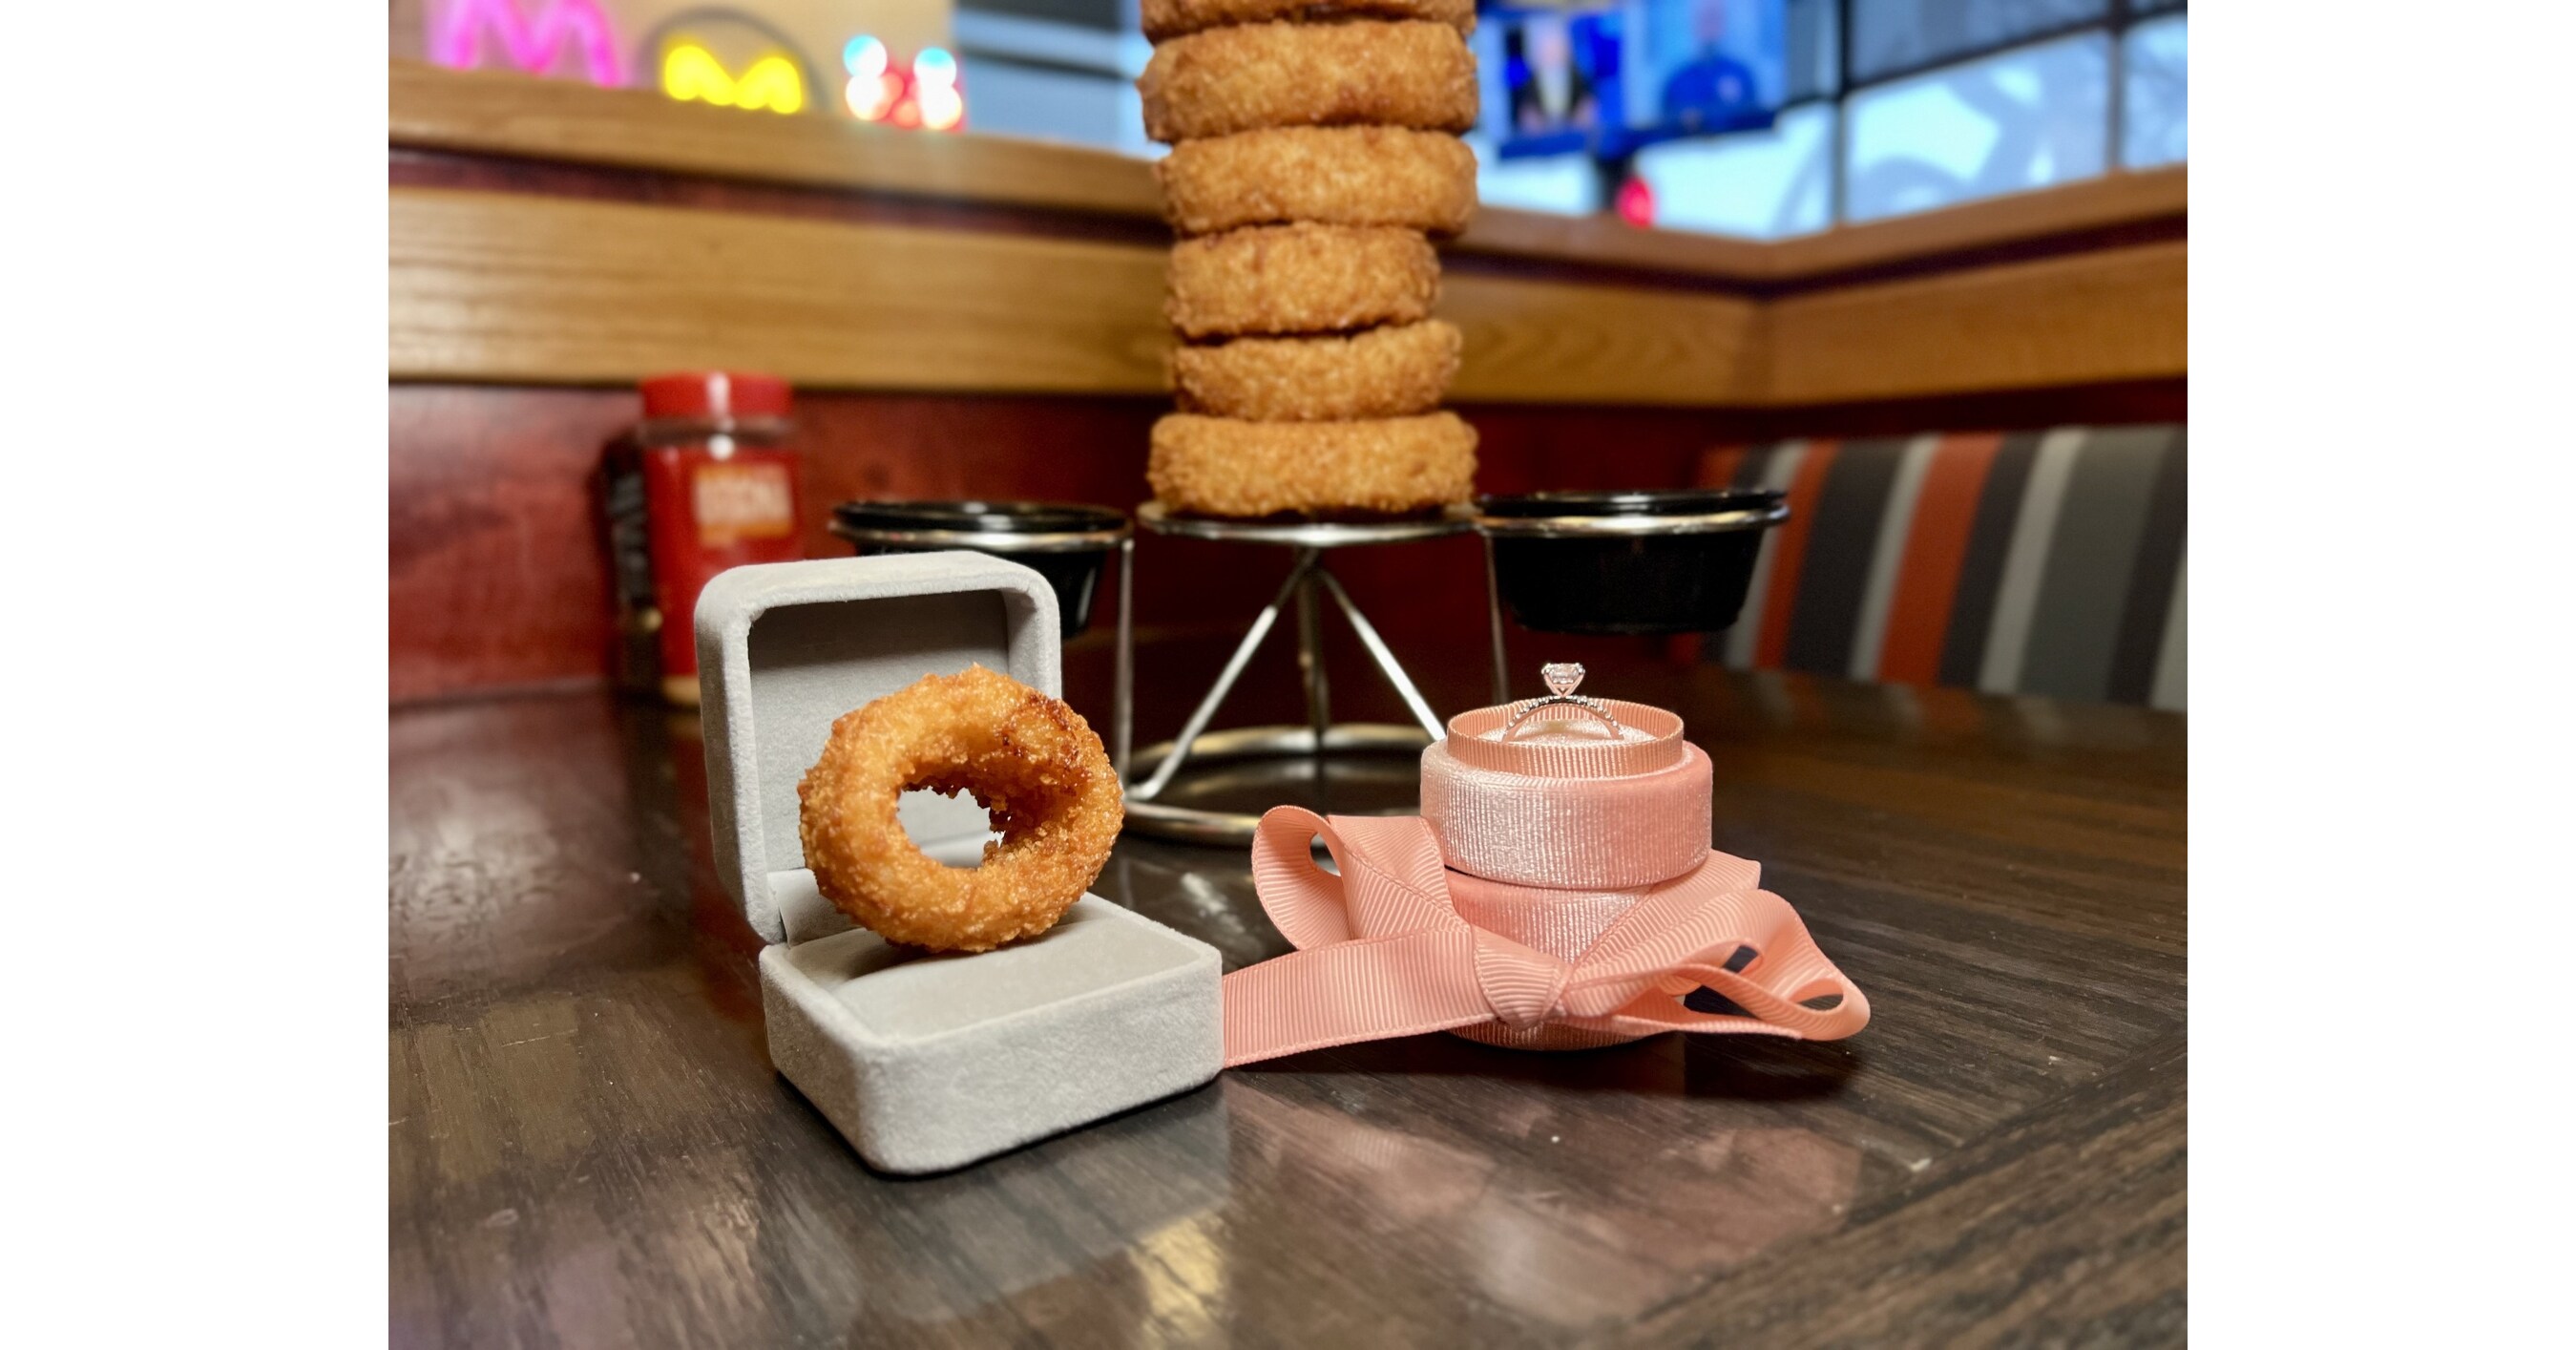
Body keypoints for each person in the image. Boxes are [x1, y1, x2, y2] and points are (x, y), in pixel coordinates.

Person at [1660, 0, 1761, 132]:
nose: (1710, 25)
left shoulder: (1742, 74)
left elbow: (1756, 126)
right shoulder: (1676, 82)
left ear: (1723, 22)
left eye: (1714, 18)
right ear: (1694, 23)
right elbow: (1664, 131)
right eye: (1704, 18)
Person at [1511, 13, 1598, 134]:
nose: (1553, 54)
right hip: (1542, 136)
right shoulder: (1530, 81)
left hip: (1573, 131)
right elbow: (1524, 109)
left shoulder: (1579, 75)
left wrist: (1585, 112)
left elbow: (1589, 100)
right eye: (1549, 50)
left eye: (1556, 48)